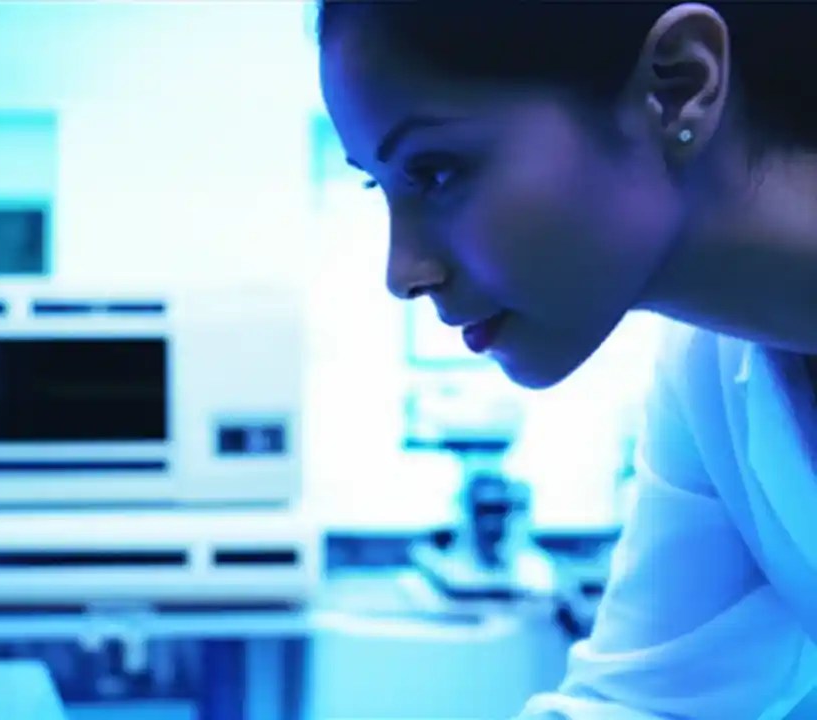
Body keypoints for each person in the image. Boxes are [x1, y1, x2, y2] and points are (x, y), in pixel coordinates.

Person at [316, 1, 817, 718]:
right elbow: (646, 705)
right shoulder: (711, 375)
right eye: (381, 187)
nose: (403, 272)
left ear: (677, 85)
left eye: (436, 172)